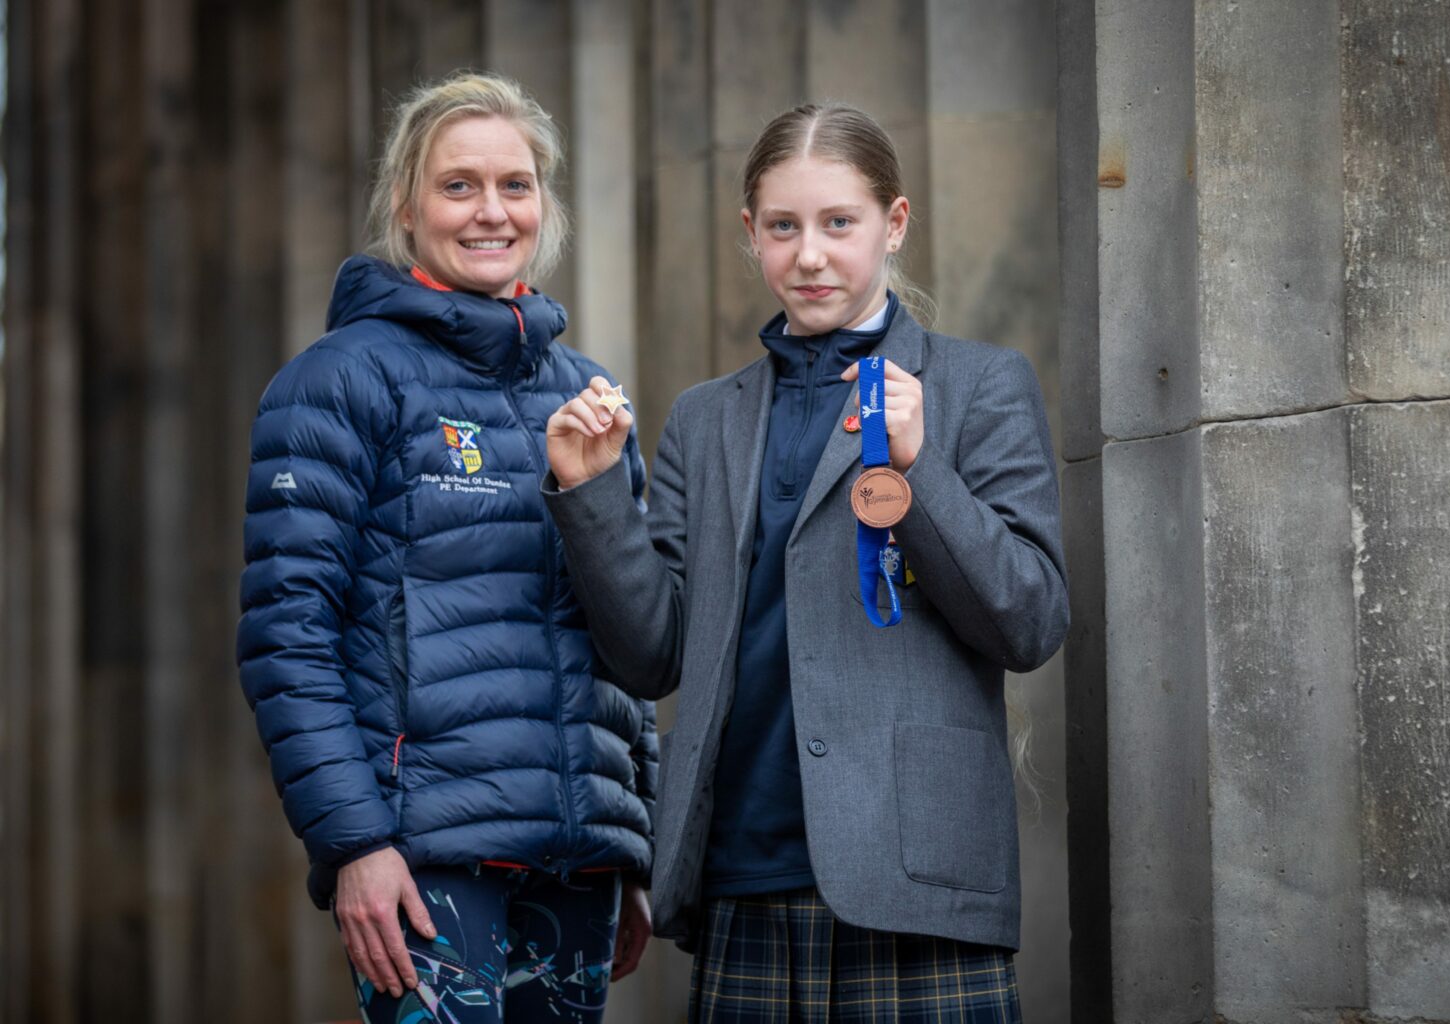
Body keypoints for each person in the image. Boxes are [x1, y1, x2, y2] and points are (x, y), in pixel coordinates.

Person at [543, 103, 1069, 1022]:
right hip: (742, 865)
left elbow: (1029, 620)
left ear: (894, 225)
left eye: (839, 223)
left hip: (916, 875)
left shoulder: (979, 386)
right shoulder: (706, 419)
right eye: (783, 227)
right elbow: (653, 654)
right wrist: (592, 498)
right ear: (751, 235)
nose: (810, 255)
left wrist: (919, 469)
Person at [236, 70, 654, 1023]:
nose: (491, 212)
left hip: (577, 862)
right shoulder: (338, 381)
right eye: (458, 184)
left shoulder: (588, 392)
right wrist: (352, 844)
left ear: (544, 204)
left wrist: (632, 838)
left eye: (516, 184)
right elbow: (286, 634)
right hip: (425, 864)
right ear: (406, 204)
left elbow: (622, 641)